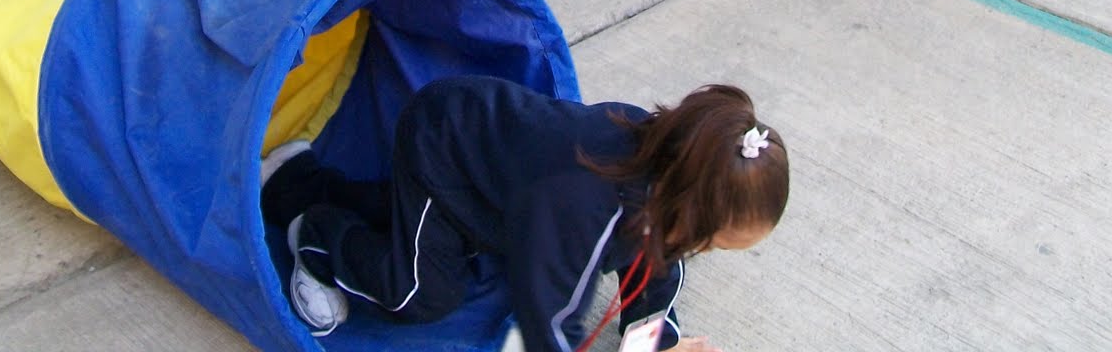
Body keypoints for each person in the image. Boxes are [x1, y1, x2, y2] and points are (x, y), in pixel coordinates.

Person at [260, 76, 788, 349]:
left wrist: (655, 341)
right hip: (443, 151)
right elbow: (550, 316)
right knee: (421, 292)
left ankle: (293, 179)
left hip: (499, 185)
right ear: (690, 199)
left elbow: (656, 263)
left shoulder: (667, 177)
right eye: (713, 240)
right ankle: (318, 238)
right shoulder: (587, 205)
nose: (702, 249)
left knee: (408, 226)